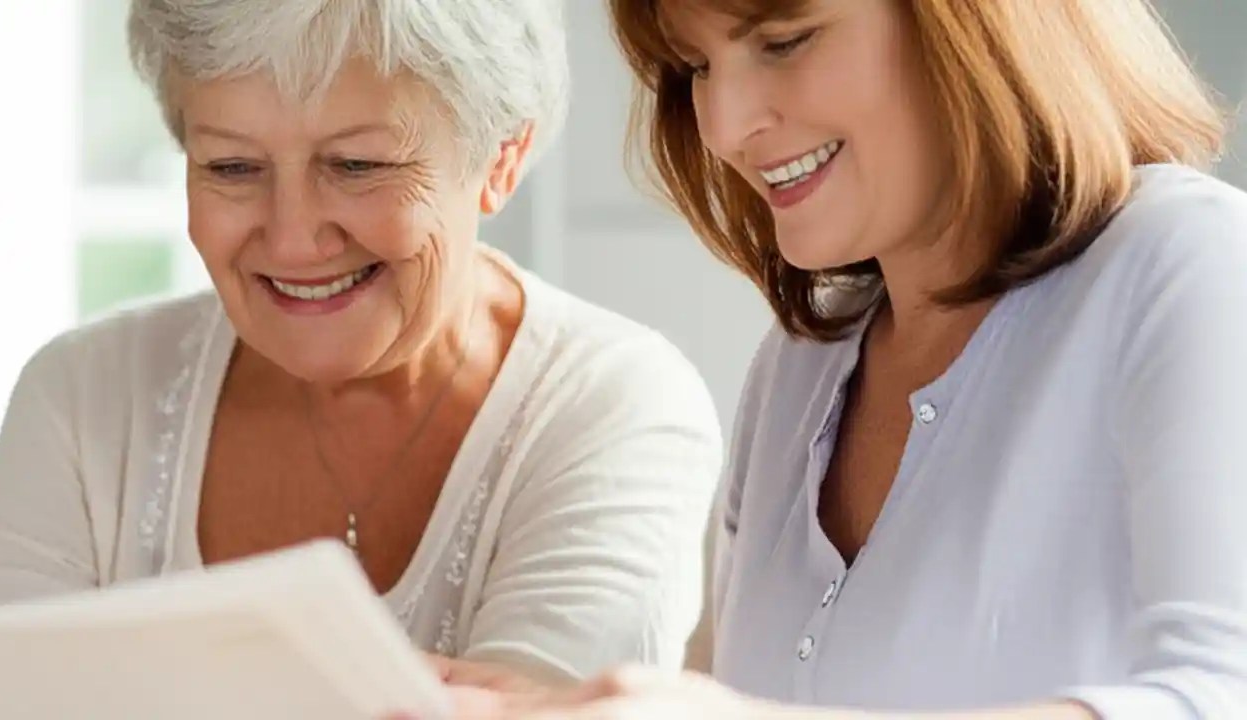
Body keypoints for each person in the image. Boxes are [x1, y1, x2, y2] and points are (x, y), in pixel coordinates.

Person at [446, 0, 1247, 717]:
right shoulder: (802, 361)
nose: (724, 127)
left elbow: (1219, 694)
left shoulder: (1187, 265)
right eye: (695, 66)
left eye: (785, 41)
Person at [0, 0, 725, 688]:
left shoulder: (613, 405)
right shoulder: (80, 395)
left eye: (358, 166)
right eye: (233, 167)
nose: (294, 240)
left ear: (500, 159)